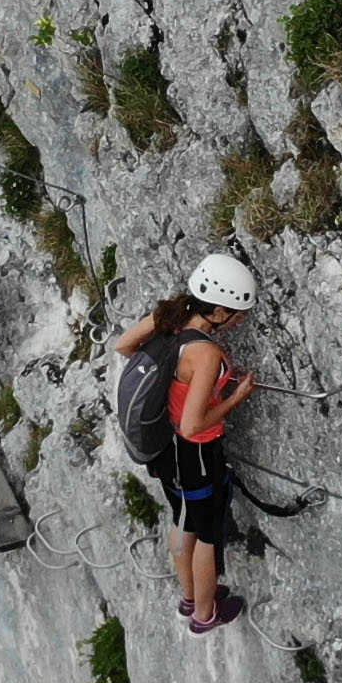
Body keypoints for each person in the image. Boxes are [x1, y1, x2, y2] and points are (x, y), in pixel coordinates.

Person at [111, 254, 260, 633]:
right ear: (220, 309)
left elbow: (124, 346)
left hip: (166, 451)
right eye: (238, 314)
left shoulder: (169, 317)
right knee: (208, 535)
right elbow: (194, 425)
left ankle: (190, 596)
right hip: (195, 452)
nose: (240, 321)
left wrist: (169, 387)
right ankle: (204, 614)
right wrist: (236, 396)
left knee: (181, 519)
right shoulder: (206, 353)